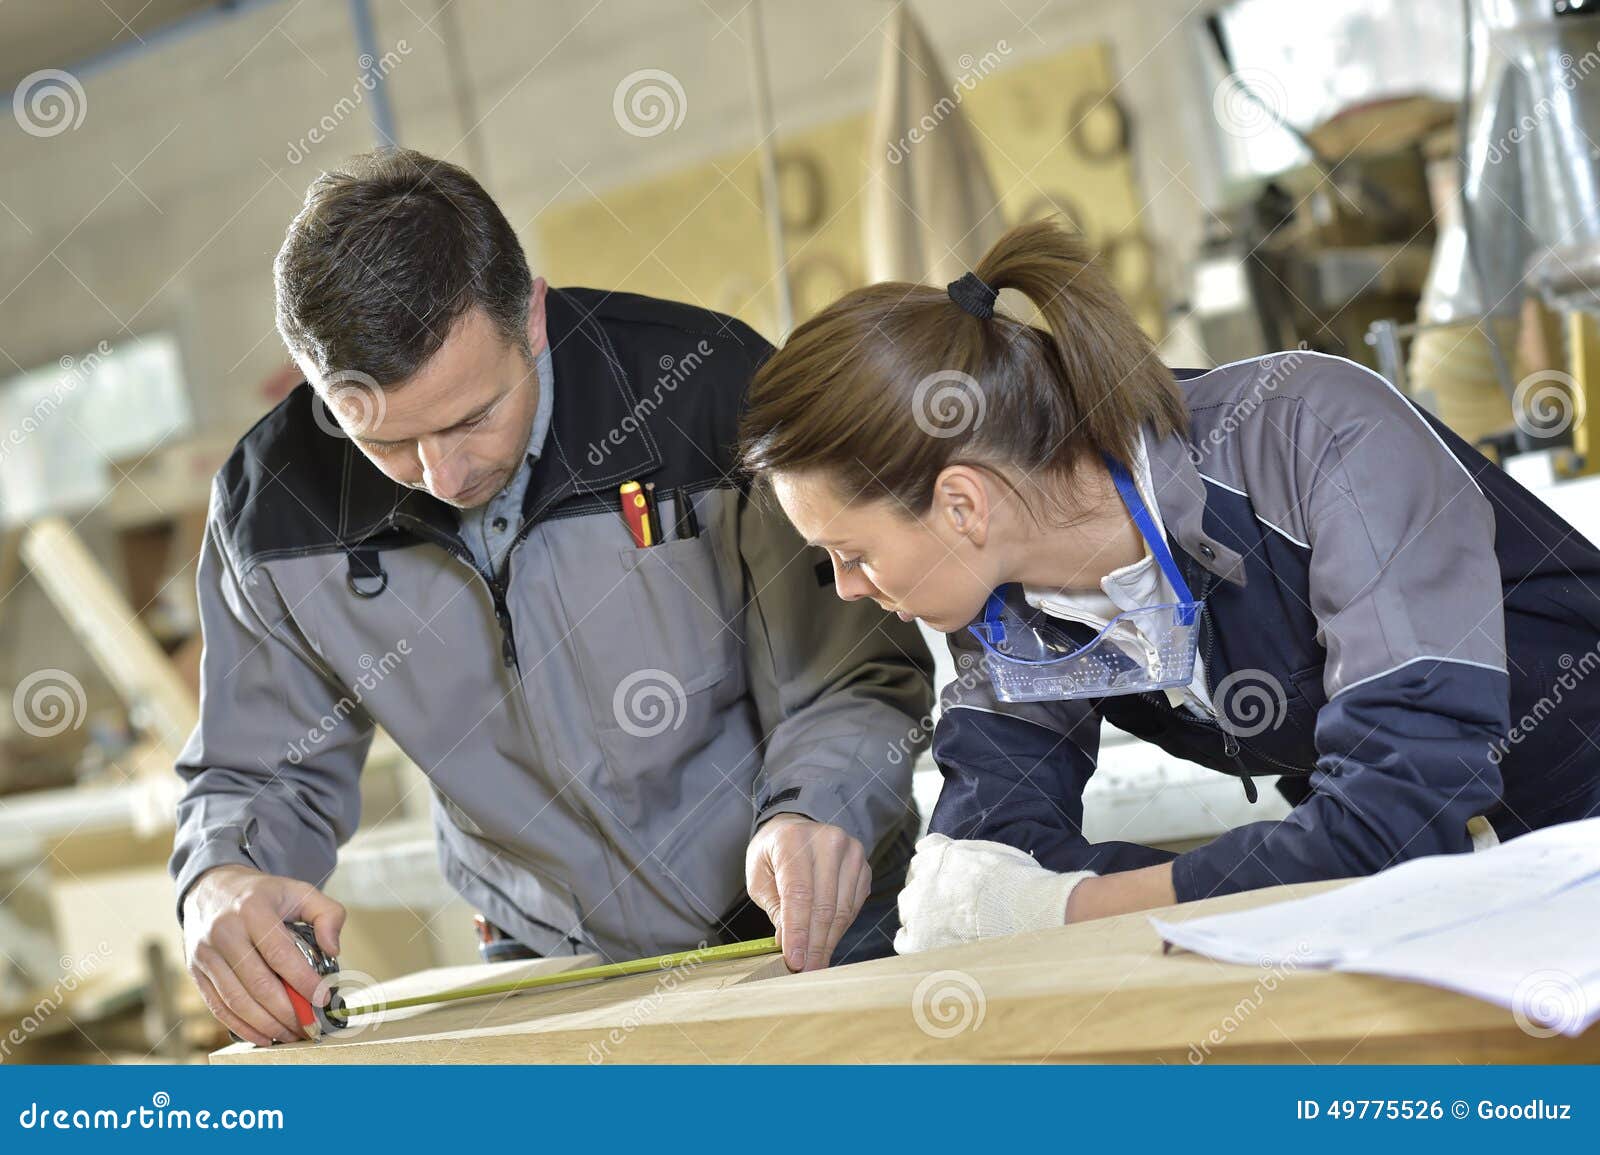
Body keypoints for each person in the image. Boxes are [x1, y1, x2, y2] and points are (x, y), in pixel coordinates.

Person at [171, 148, 933, 1047]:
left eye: (469, 418)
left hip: (811, 927)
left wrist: (823, 805)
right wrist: (222, 876)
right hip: (548, 969)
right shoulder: (272, 510)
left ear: (530, 314)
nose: (441, 474)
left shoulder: (707, 390)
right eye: (387, 442)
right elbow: (258, 772)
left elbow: (857, 672)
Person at [738, 218, 1600, 954]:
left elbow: (1400, 812)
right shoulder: (1003, 598)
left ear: (962, 503)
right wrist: (1019, 899)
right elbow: (991, 859)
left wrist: (1071, 907)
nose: (848, 590)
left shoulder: (1316, 434)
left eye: (851, 552)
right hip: (1433, 914)